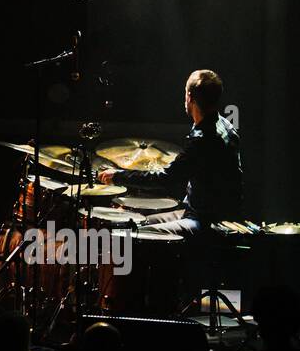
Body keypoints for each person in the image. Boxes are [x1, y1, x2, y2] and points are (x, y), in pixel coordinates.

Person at [97, 69, 242, 236]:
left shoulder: (203, 138)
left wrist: (118, 176)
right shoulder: (226, 126)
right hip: (204, 213)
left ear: (189, 96)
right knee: (134, 223)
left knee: (137, 234)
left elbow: (166, 178)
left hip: (206, 222)